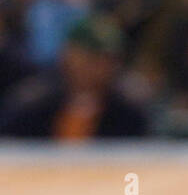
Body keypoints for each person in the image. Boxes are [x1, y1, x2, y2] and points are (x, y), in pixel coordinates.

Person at [0, 16, 147, 140]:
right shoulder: (31, 104)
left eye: (109, 60)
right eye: (91, 58)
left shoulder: (130, 112)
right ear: (68, 56)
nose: (100, 67)